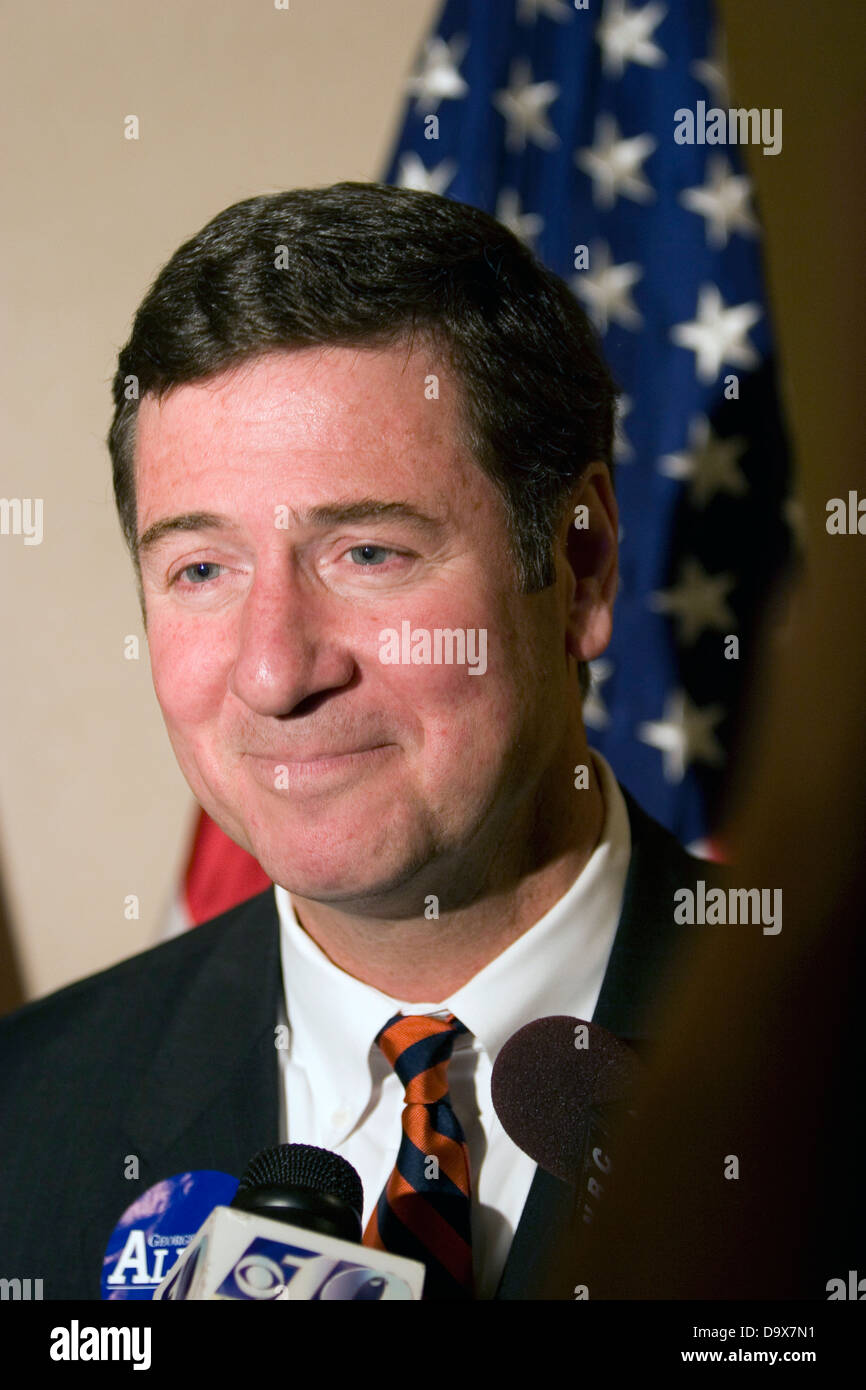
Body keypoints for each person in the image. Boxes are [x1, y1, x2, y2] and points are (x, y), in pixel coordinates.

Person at [0, 182, 719, 1300]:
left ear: (578, 565)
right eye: (201, 569)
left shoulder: (809, 1067)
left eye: (369, 552)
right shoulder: (25, 1122)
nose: (277, 670)